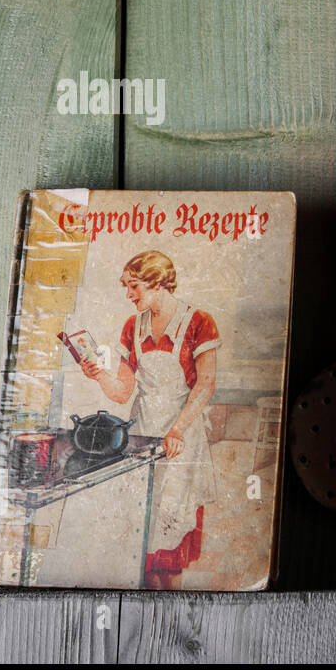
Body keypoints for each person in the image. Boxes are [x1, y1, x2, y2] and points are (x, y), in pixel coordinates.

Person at [83, 250, 220, 588]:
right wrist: (99, 375)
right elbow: (122, 392)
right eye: (126, 287)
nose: (129, 295)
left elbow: (205, 384)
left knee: (170, 521)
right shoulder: (133, 326)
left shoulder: (198, 322)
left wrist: (177, 430)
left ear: (157, 283)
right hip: (142, 434)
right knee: (141, 527)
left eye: (134, 286)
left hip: (180, 436)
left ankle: (168, 601)